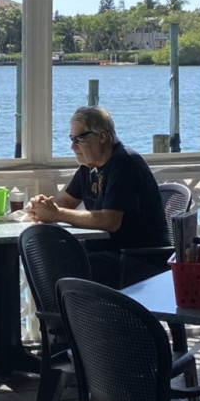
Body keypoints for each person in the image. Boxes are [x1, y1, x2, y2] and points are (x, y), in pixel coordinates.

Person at [27, 105, 170, 286]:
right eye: (71, 139)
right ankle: (64, 313)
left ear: (102, 136)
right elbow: (66, 201)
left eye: (79, 138)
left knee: (62, 266)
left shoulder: (124, 163)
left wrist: (56, 214)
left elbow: (109, 221)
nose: (73, 146)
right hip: (108, 251)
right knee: (47, 254)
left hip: (137, 259)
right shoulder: (89, 166)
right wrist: (43, 206)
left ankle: (69, 314)